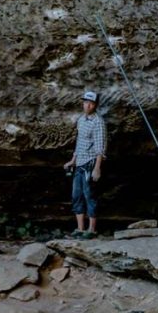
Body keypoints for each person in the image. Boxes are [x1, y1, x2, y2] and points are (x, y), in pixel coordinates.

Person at [65, 89, 108, 238]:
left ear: (95, 105)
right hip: (79, 162)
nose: (87, 106)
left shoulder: (98, 122)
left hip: (90, 162)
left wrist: (97, 168)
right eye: (85, 103)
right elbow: (79, 142)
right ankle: (80, 228)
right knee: (76, 195)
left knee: (89, 194)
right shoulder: (81, 119)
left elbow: (100, 148)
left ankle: (91, 230)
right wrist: (73, 160)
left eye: (91, 103)